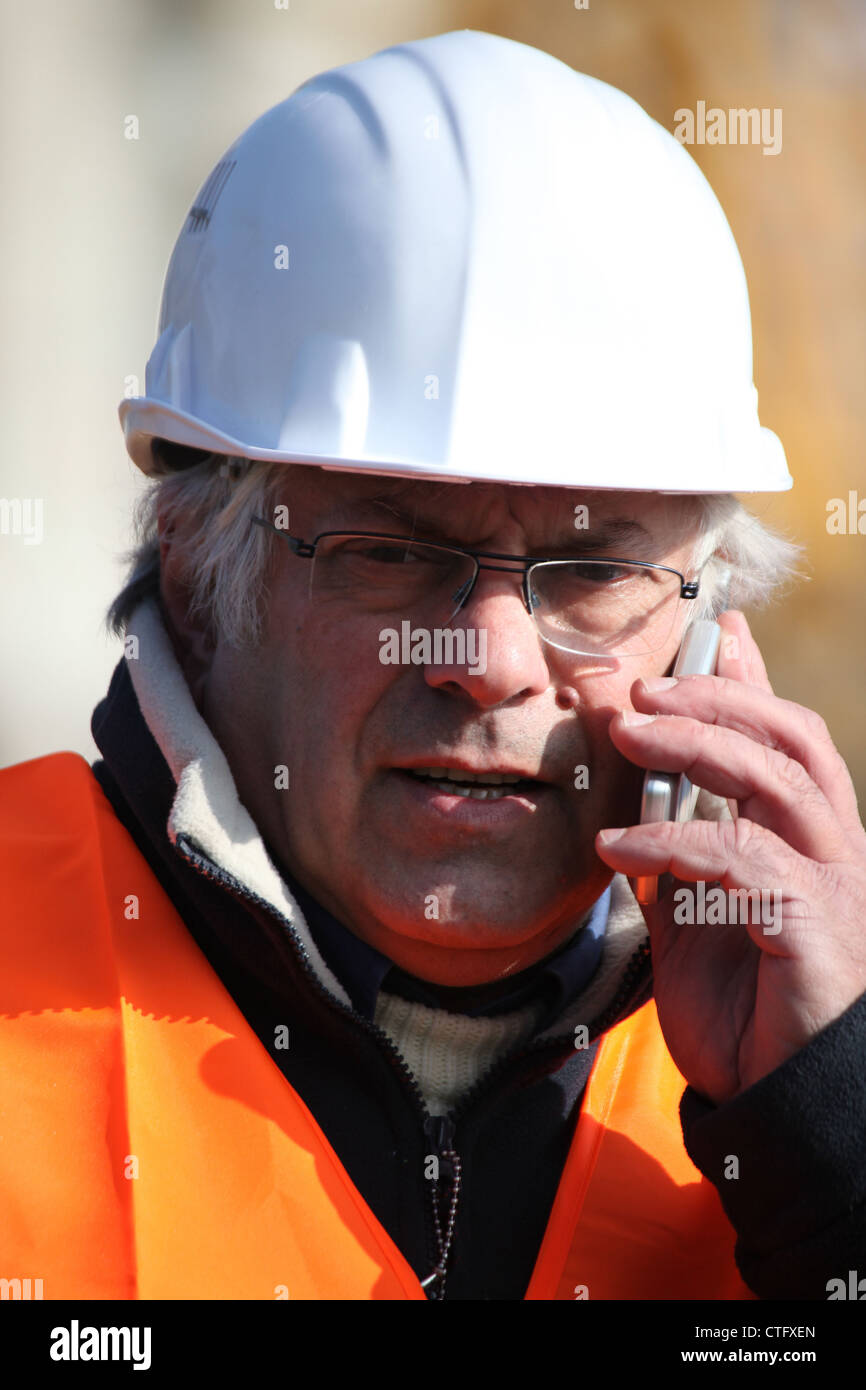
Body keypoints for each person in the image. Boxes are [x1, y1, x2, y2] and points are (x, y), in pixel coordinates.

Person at [2, 29, 864, 1302]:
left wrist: (830, 1150)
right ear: (196, 576)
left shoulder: (806, 1056)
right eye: (391, 552)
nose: (489, 659)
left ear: (708, 628)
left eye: (590, 571)